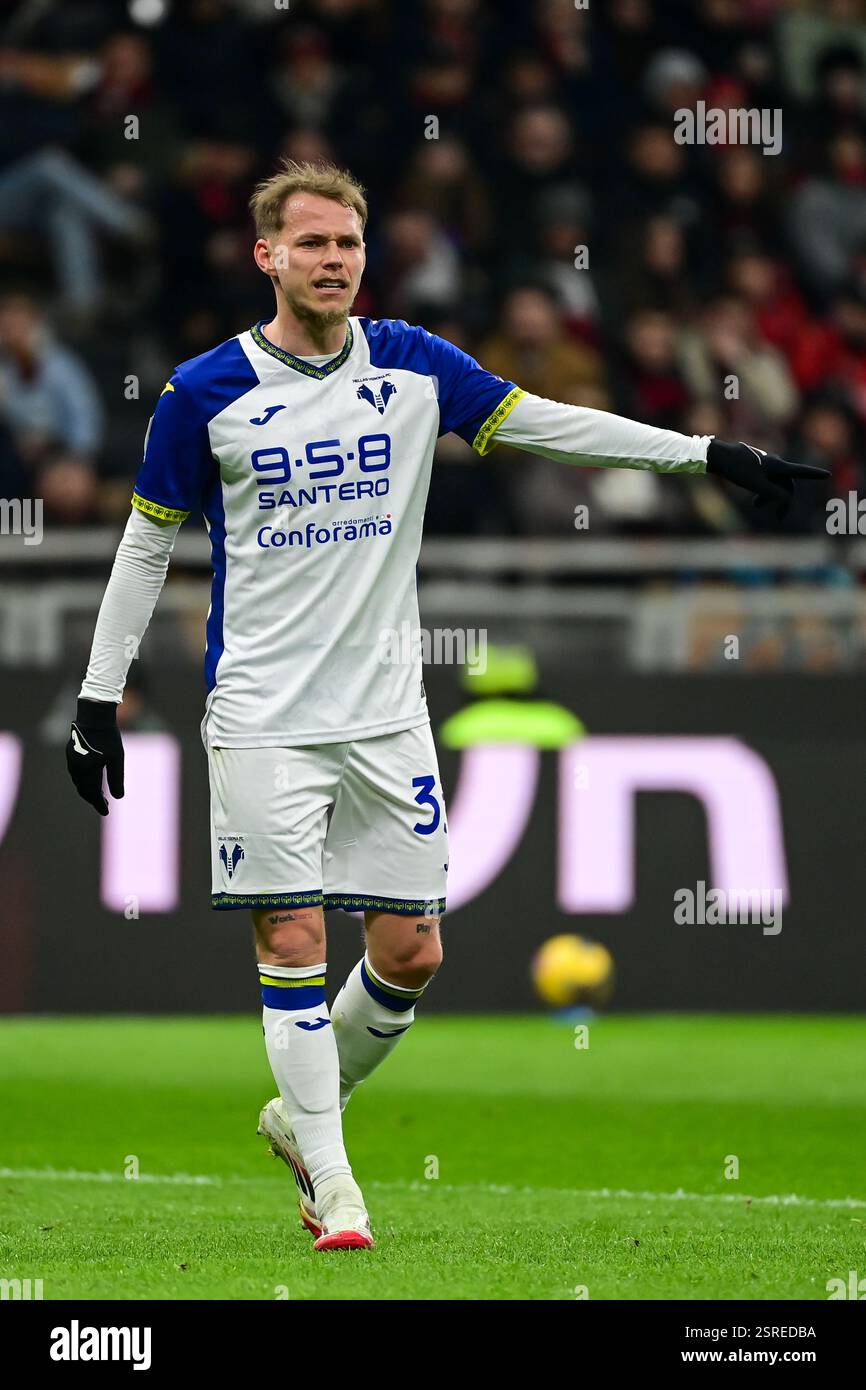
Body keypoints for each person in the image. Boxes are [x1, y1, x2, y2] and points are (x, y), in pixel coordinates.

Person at [65, 160, 826, 1252]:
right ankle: (335, 1185)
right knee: (287, 932)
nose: (333, 261)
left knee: (412, 953)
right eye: (312, 243)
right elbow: (147, 544)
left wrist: (704, 454)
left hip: (385, 712)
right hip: (263, 711)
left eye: (348, 244)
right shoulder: (202, 392)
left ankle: (298, 1116)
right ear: (265, 255)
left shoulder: (415, 367)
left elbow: (553, 424)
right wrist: (99, 696)